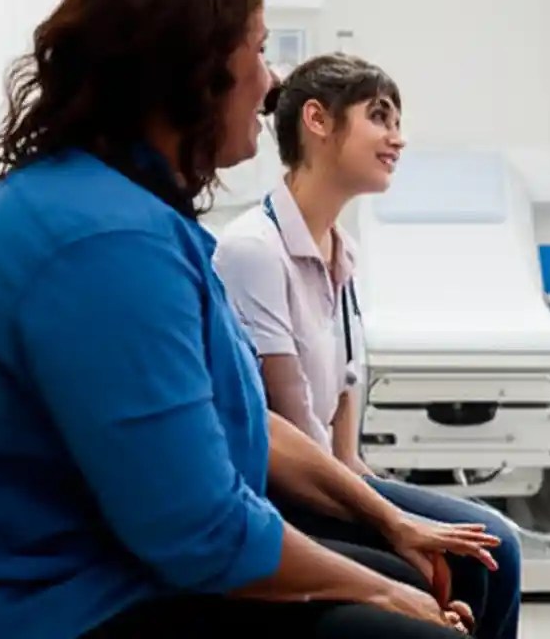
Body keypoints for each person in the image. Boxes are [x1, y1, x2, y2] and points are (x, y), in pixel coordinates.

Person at [0, 0, 497, 639]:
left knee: (447, 573)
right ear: (191, 73)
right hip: (63, 604)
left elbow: (233, 429)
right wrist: (384, 592)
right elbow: (198, 529)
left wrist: (387, 522)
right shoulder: (105, 245)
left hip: (120, 559)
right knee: (413, 619)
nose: (272, 81)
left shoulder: (118, 210)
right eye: (258, 49)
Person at [212, 52, 524, 639]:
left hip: (331, 477)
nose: (397, 139)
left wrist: (378, 492)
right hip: (284, 491)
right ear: (318, 120)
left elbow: (343, 419)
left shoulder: (342, 251)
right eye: (380, 117)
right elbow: (287, 430)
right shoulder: (253, 250)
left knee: (489, 545)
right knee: (480, 555)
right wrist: (389, 518)